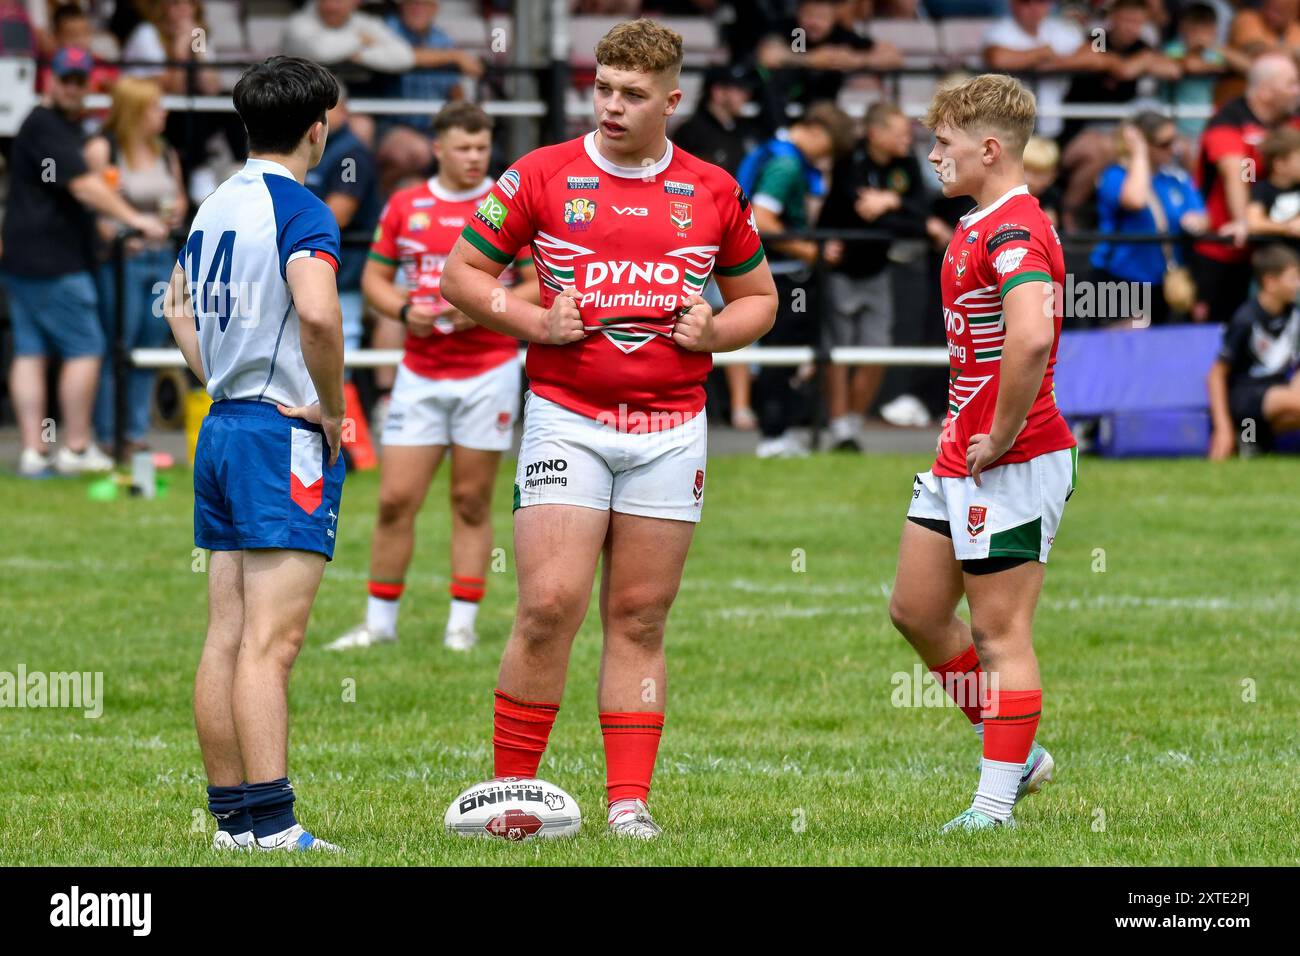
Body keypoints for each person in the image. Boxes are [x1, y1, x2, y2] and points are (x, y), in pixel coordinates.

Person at [440, 18, 777, 839]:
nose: (611, 107)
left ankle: (629, 805)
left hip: (672, 429)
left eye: (632, 94)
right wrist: (531, 320)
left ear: (672, 99)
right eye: (602, 88)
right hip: (568, 419)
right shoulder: (541, 174)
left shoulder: (712, 189)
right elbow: (461, 274)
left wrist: (716, 333)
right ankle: (511, 797)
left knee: (639, 615)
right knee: (549, 604)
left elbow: (760, 301)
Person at [163, 55, 347, 853]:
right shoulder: (301, 208)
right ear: (319, 127)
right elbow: (318, 315)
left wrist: (222, 375)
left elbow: (174, 302)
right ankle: (275, 826)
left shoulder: (212, 205)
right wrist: (332, 408)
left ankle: (234, 823)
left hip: (225, 425)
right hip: (280, 433)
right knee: (273, 643)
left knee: (227, 635)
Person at [889, 73, 1077, 832]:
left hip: (1012, 457)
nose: (932, 157)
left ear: (989, 149)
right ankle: (1014, 753)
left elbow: (1031, 334)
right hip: (960, 457)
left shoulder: (1011, 229)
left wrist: (999, 433)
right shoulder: (980, 220)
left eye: (944, 143)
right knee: (916, 610)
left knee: (1001, 635)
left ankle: (993, 805)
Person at [327, 103, 538, 653]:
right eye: (463, 147)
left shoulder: (507, 202)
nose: (474, 158)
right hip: (419, 371)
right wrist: (402, 312)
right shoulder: (406, 203)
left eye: (482, 146)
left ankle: (460, 627)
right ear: (437, 149)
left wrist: (486, 304)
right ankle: (379, 623)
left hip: (486, 370)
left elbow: (541, 283)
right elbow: (374, 278)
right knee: (396, 499)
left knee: (470, 500)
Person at [2, 46, 167, 477]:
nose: (75, 87)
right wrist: (136, 220)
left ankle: (37, 452)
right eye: (67, 79)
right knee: (87, 347)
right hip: (53, 261)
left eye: (81, 80)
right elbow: (83, 187)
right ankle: (75, 447)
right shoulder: (46, 126)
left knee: (32, 351)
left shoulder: (54, 127)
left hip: (28, 258)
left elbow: (80, 185)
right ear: (50, 80)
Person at [737, 102, 852, 458]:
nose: (825, 159)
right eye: (827, 150)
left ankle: (779, 432)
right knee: (780, 355)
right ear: (816, 132)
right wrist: (810, 251)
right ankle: (773, 436)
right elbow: (763, 220)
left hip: (778, 275)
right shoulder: (786, 164)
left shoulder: (778, 153)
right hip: (780, 278)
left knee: (787, 355)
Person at [817, 101, 927, 452]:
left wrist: (890, 202)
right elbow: (862, 212)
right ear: (875, 134)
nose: (907, 140)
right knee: (838, 351)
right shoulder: (850, 160)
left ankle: (852, 423)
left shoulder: (906, 163)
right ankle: (837, 427)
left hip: (878, 270)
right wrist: (893, 208)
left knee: (876, 350)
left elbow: (919, 217)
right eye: (900, 134)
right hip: (840, 269)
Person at [86, 76, 188, 451]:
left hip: (161, 256)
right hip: (121, 261)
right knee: (118, 345)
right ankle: (108, 433)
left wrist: (175, 213)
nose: (164, 113)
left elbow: (178, 199)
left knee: (149, 343)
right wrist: (119, 230)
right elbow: (94, 206)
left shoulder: (164, 150)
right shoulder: (103, 149)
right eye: (156, 107)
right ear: (135, 111)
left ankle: (135, 433)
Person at [672, 62, 766, 430]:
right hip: (690, 242)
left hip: (734, 238)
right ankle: (694, 402)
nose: (746, 98)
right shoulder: (692, 133)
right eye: (738, 89)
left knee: (737, 314)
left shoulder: (743, 131)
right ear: (718, 91)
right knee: (688, 320)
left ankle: (740, 406)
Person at [1193, 53, 1300, 325]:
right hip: (1224, 249)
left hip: (1269, 254)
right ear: (1265, 91)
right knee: (1217, 327)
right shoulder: (1229, 120)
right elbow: (1236, 174)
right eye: (1291, 84)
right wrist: (1243, 222)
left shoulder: (1290, 122)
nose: (1297, 90)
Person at [1090, 112, 1208, 326]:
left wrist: (1197, 222)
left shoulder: (1176, 178)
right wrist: (1140, 153)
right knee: (1124, 349)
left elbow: (1202, 215)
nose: (1173, 149)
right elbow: (1135, 199)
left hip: (1164, 282)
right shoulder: (1114, 176)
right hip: (1121, 281)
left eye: (1175, 141)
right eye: (1164, 143)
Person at [375, 0, 484, 193]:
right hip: (387, 125)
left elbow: (455, 90)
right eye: (412, 3)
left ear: (435, 8)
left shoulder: (442, 39)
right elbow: (402, 55)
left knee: (468, 146)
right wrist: (455, 57)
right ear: (401, 5)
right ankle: (377, 206)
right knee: (417, 151)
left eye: (424, 3)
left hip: (431, 128)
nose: (417, 8)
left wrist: (466, 120)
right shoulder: (385, 29)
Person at [304, 83, 380, 358]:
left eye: (323, 108)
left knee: (339, 348)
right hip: (316, 265)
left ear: (343, 109)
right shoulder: (316, 146)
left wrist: (286, 223)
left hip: (343, 271)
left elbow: (340, 214)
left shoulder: (351, 154)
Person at [1207, 244, 1300, 458]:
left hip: (1276, 391)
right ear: (1270, 282)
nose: (1298, 285)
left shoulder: (1293, 315)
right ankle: (1240, 434)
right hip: (1246, 394)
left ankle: (1252, 440)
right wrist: (1223, 428)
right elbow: (1215, 376)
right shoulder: (1246, 319)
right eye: (1293, 278)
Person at [756, 0, 902, 108]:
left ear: (833, 17)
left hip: (827, 104)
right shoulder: (792, 30)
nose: (814, 23)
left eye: (821, 17)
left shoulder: (840, 35)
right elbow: (767, 56)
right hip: (786, 99)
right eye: (809, 15)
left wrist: (857, 60)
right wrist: (811, 59)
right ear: (799, 13)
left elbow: (894, 57)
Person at [282, 0, 414, 76]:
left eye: (339, 0)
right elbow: (321, 51)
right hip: (299, 105)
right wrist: (360, 41)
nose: (331, 6)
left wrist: (357, 55)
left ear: (356, 2)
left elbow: (405, 56)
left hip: (344, 106)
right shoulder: (298, 23)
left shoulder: (365, 22)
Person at [1245, 127, 1300, 250]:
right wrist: (1287, 228)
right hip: (1272, 257)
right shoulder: (1261, 189)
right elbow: (1254, 223)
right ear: (1279, 164)